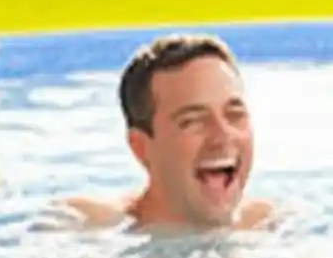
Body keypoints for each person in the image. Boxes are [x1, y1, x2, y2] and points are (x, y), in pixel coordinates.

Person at [63, 33, 273, 231]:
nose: (222, 136)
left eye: (234, 115)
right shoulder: (83, 226)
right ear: (141, 148)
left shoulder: (272, 226)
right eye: (192, 121)